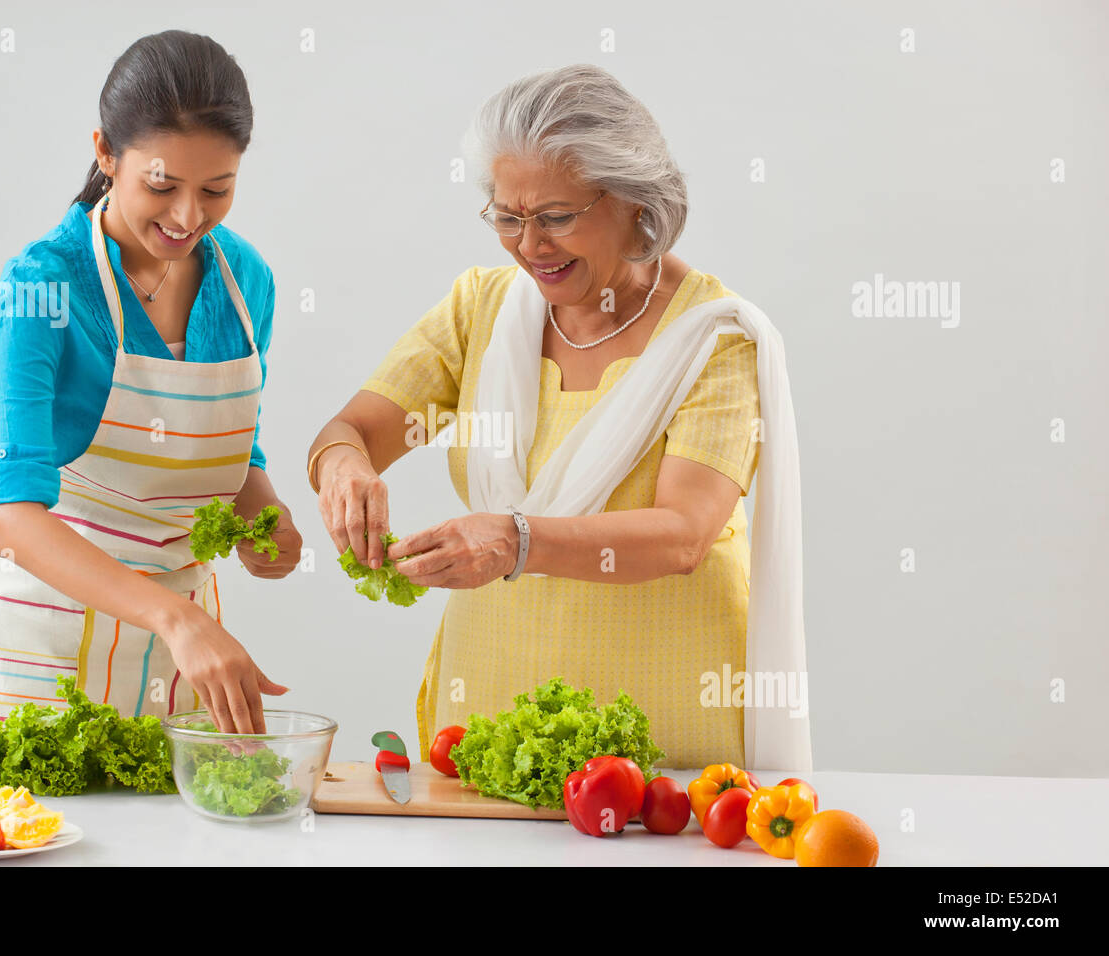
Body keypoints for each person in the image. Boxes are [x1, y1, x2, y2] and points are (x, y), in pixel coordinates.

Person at [307, 64, 811, 770]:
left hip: (663, 739)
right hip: (486, 722)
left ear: (637, 202)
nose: (528, 245)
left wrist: (513, 541)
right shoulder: (481, 309)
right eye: (508, 218)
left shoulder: (713, 338)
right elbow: (349, 430)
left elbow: (682, 536)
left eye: (556, 217)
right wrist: (344, 470)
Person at [0, 30, 301, 741]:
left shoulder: (248, 284)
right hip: (33, 663)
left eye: (217, 189)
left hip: (173, 668)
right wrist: (179, 618)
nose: (188, 217)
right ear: (106, 153)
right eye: (161, 185)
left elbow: (235, 449)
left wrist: (265, 519)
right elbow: (13, 520)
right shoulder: (43, 287)